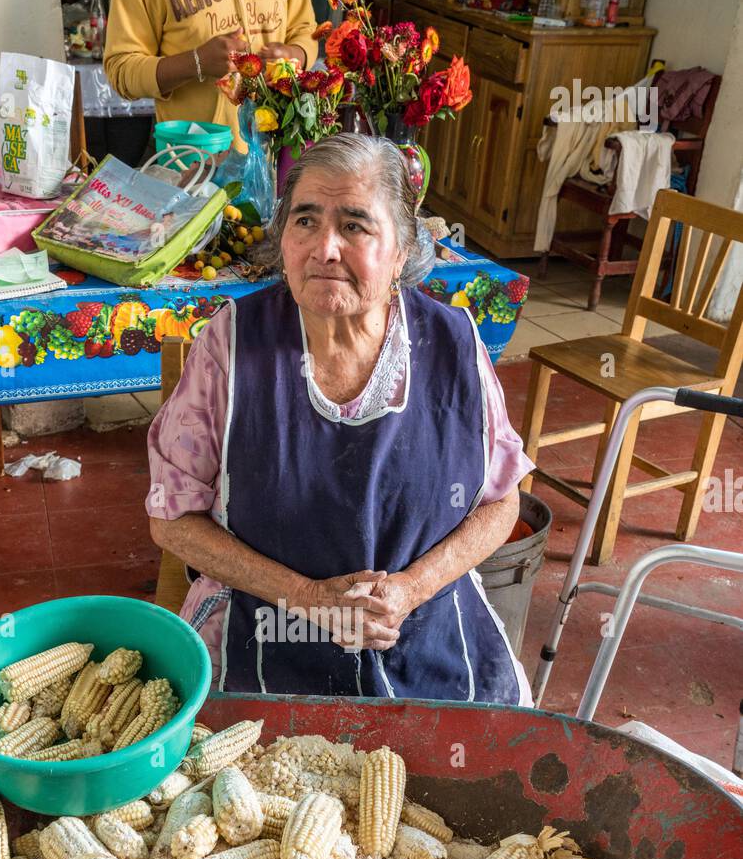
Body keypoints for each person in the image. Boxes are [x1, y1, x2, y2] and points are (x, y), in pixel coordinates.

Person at [146, 134, 535, 704]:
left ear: (401, 250)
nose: (325, 248)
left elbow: (502, 501)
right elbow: (172, 518)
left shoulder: (453, 344)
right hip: (266, 625)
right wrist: (308, 599)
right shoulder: (230, 346)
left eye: (355, 225)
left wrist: (410, 589)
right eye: (305, 220)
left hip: (427, 628)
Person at [104, 0, 318, 152]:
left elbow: (304, 29)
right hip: (197, 160)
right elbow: (122, 69)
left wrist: (293, 53)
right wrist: (197, 61)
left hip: (277, 150)